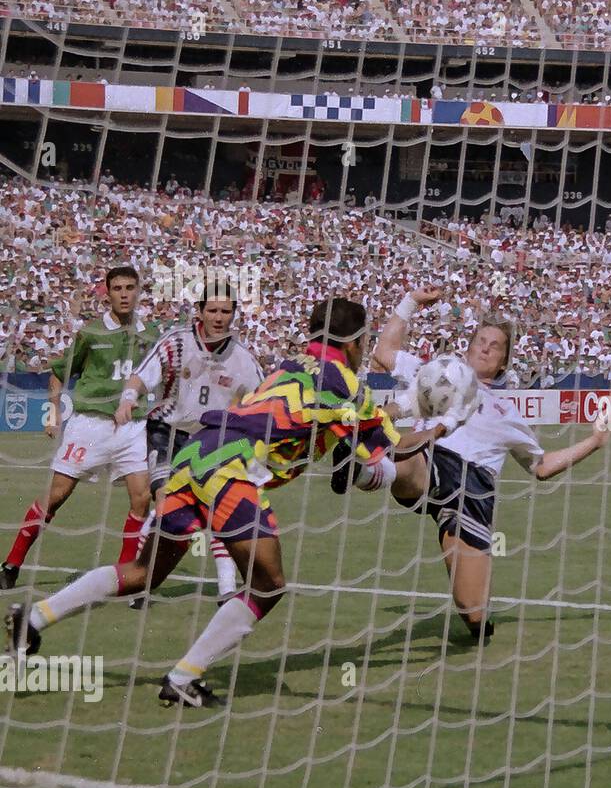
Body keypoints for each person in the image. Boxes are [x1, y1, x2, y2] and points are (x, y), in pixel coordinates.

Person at [7, 299, 401, 706]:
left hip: (194, 455)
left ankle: (32, 618)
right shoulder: (345, 384)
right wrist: (414, 426)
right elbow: (385, 465)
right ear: (355, 342)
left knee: (143, 573)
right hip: (232, 470)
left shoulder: (290, 363)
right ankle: (182, 677)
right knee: (268, 585)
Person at [353, 287, 610, 645]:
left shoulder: (508, 414)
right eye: (481, 340)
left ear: (503, 362)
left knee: (473, 613)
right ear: (469, 347)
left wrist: (594, 442)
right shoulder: (438, 373)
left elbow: (542, 466)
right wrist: (410, 301)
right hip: (429, 461)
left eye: (496, 346)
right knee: (408, 457)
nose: (486, 347)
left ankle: (478, 625)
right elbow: (384, 352)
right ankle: (365, 467)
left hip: (473, 490)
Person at [1, 266, 160, 592]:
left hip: (132, 426)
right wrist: (52, 413)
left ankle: (125, 578)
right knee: (57, 496)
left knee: (141, 500)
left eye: (130, 287)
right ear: (108, 293)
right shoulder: (91, 333)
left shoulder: (152, 334)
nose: (125, 294)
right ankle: (11, 563)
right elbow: (58, 373)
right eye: (117, 288)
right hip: (90, 425)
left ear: (138, 291)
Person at [115, 280, 265, 606]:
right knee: (166, 500)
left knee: (220, 509)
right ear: (199, 311)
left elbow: (262, 402)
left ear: (234, 315)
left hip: (214, 441)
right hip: (167, 431)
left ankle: (226, 589)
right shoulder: (176, 343)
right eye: (212, 310)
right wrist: (128, 398)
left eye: (225, 311)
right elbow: (141, 376)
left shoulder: (243, 360)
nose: (218, 317)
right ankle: (140, 580)